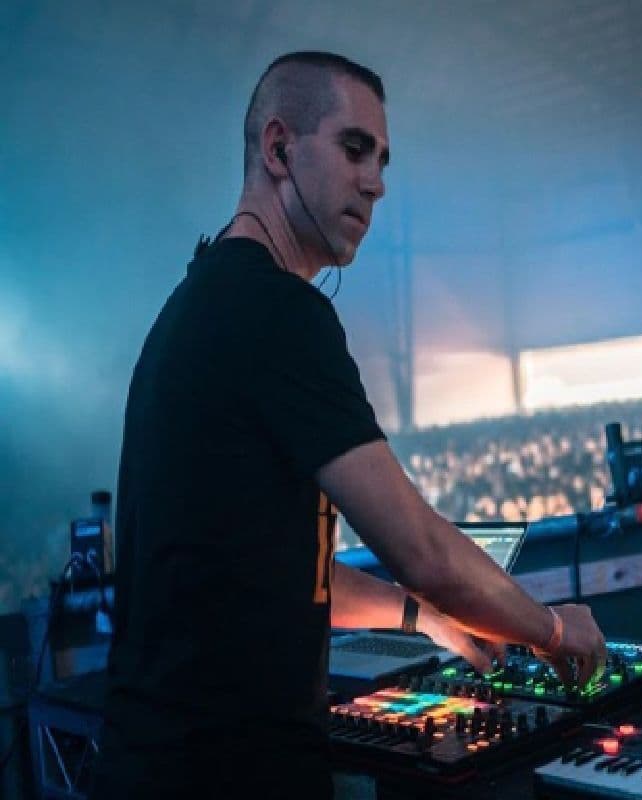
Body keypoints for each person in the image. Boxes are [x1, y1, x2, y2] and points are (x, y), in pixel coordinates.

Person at [92, 51, 607, 800]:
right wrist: (552, 630)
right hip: (221, 773)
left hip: (161, 764)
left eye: (383, 160)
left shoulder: (203, 300)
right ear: (278, 148)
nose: (375, 183)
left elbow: (272, 574)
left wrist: (423, 619)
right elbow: (420, 548)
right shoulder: (275, 310)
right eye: (354, 148)